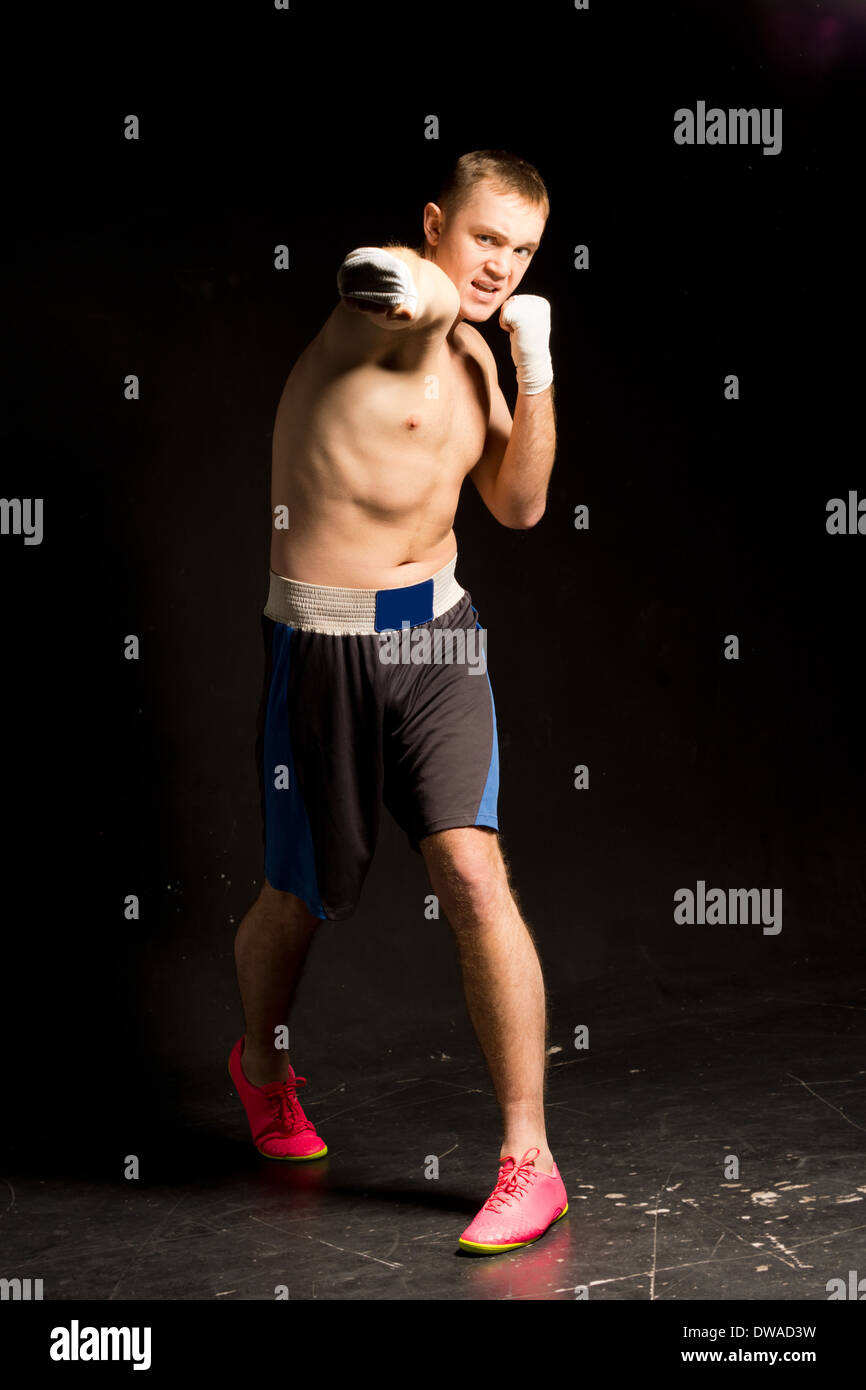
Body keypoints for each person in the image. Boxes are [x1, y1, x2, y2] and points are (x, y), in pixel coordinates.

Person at [229, 150, 568, 1252]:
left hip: (439, 637)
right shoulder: (375, 320)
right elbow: (385, 286)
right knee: (303, 895)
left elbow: (517, 507)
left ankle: (529, 1158)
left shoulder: (476, 353)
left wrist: (535, 366)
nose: (497, 267)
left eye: (520, 250)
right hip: (323, 642)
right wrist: (404, 279)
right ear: (434, 223)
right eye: (481, 240)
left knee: (473, 868)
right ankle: (263, 1062)